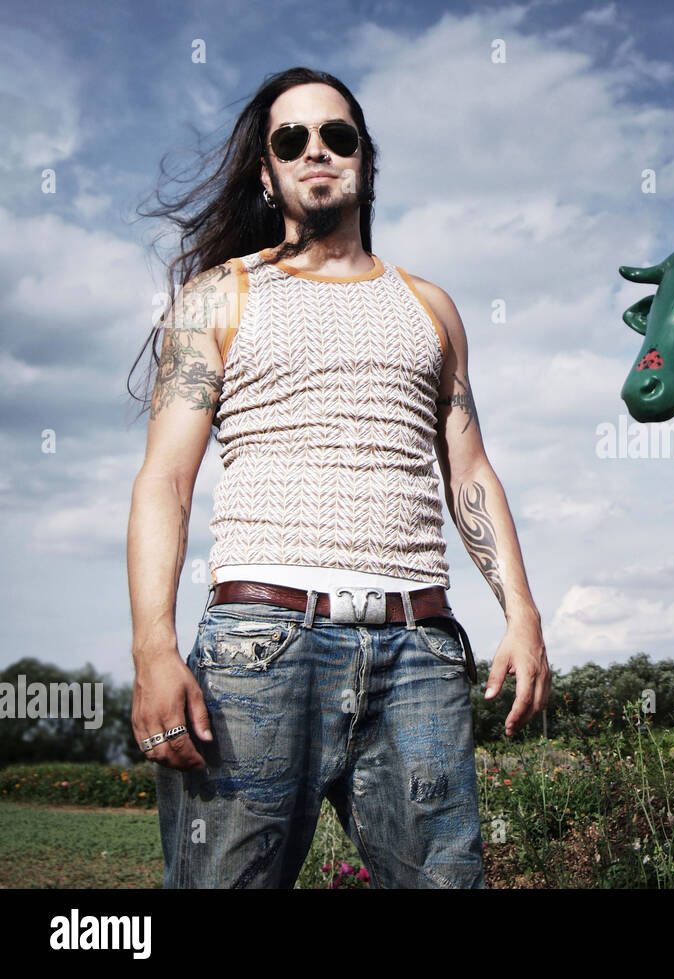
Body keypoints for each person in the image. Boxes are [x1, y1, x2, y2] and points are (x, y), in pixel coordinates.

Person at [125, 66, 549, 888]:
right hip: (258, 647)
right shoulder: (220, 296)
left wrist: (522, 610)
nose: (316, 150)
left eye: (337, 135)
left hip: (420, 648)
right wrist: (153, 647)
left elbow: (470, 468)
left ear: (364, 157)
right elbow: (164, 485)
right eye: (293, 139)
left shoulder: (432, 307)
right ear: (268, 171)